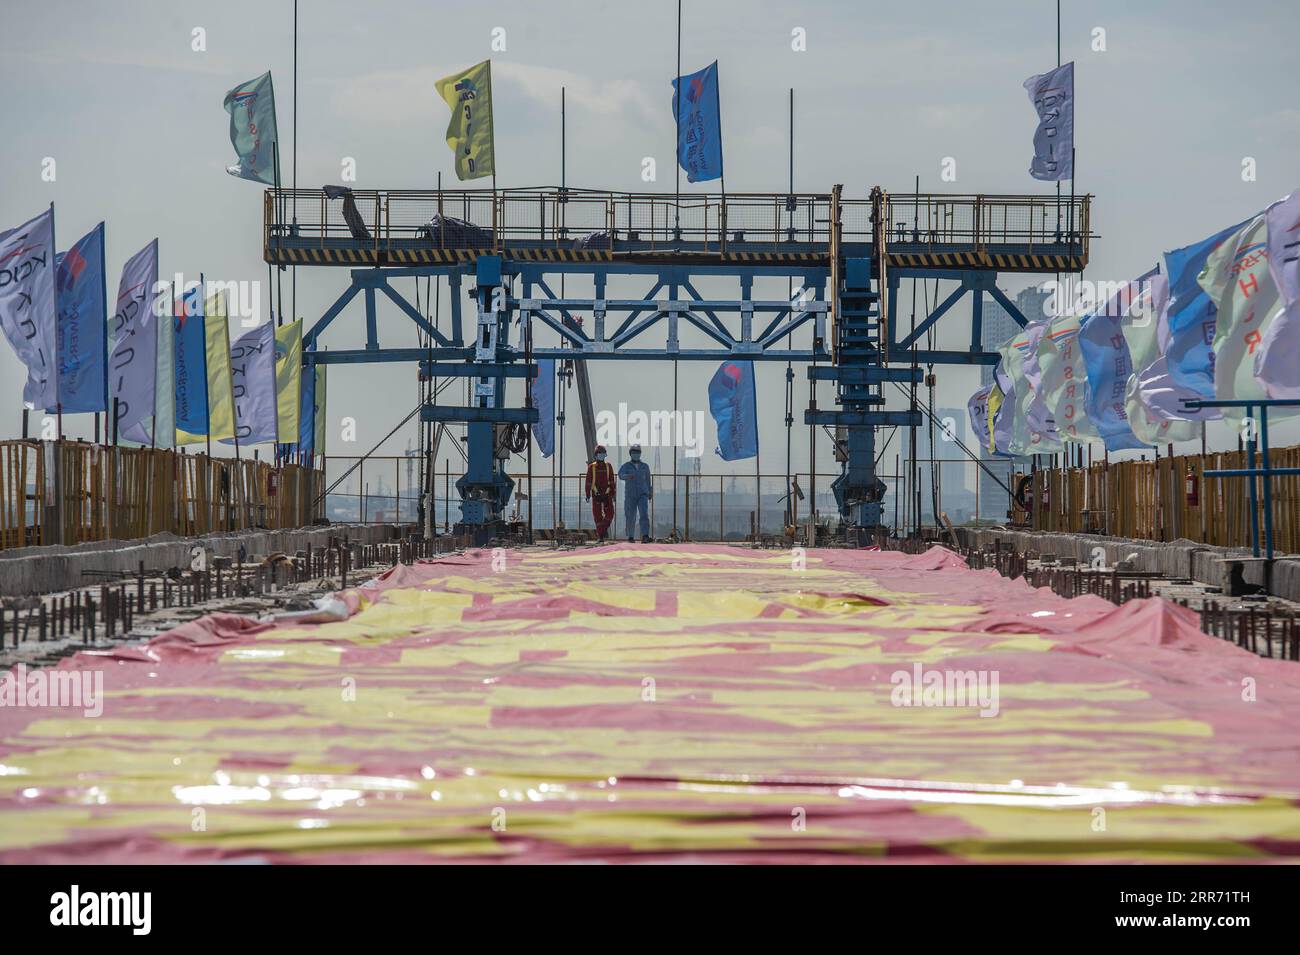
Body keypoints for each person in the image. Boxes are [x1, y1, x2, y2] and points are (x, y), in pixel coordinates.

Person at [617, 444, 653, 543]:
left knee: (644, 514)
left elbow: (648, 480)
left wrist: (650, 492)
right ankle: (631, 536)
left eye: (638, 452)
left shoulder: (645, 466)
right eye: (634, 452)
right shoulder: (626, 466)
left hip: (643, 494)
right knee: (630, 515)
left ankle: (645, 535)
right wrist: (627, 476)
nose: (636, 454)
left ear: (640, 453)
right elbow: (620, 475)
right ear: (630, 454)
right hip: (630, 495)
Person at [584, 445, 617, 542]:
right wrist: (588, 495)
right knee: (597, 515)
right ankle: (601, 536)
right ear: (596, 455)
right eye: (600, 454)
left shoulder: (608, 466)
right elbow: (588, 482)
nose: (602, 456)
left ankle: (601, 531)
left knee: (610, 514)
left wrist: (612, 493)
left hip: (607, 494)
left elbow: (611, 480)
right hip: (596, 494)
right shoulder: (592, 467)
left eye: (603, 454)